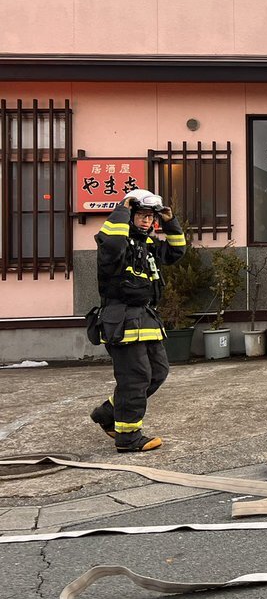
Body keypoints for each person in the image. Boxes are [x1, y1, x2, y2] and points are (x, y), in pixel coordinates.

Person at [89, 189, 187, 452]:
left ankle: (108, 413)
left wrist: (169, 222)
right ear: (130, 216)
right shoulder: (114, 242)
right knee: (135, 378)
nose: (146, 221)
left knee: (157, 372)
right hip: (121, 317)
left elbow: (176, 252)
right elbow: (111, 245)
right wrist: (122, 209)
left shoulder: (147, 244)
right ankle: (128, 437)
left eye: (150, 217)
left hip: (145, 316)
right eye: (141, 215)